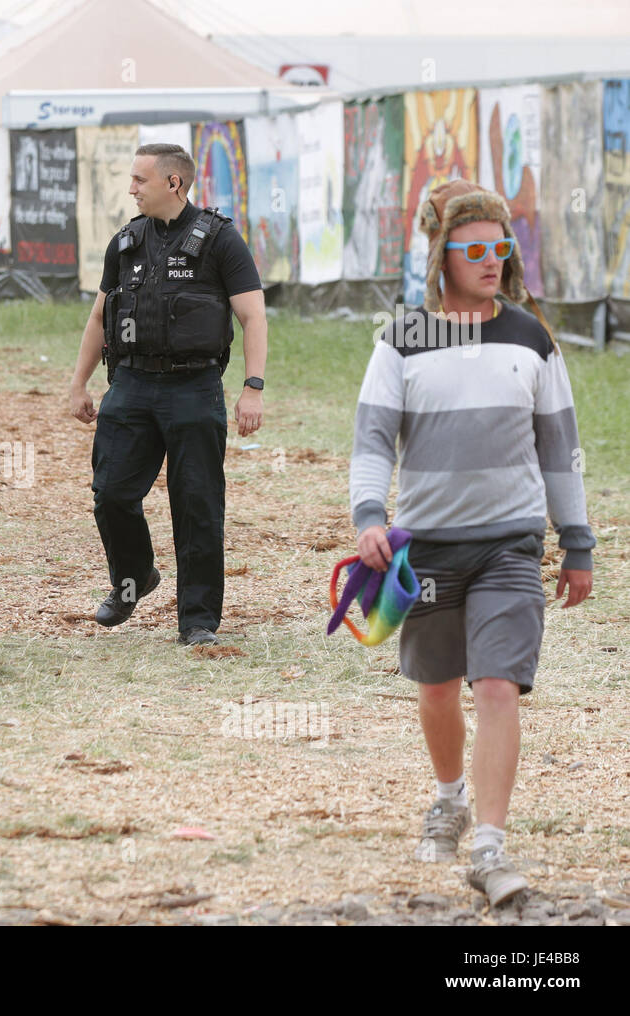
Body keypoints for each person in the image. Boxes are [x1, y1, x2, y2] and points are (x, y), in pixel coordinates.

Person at [350, 180, 595, 907]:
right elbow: (371, 438)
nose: (492, 260)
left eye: (501, 248)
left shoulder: (530, 336)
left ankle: (489, 840)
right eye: (474, 249)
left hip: (510, 547)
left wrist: (575, 542)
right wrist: (368, 515)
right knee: (435, 691)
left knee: (495, 685)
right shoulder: (403, 336)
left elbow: (563, 449)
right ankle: (449, 795)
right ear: (442, 256)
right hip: (423, 549)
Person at [69, 143, 267, 647]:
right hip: (131, 385)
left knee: (197, 504)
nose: (131, 188)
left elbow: (253, 316)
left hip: (193, 387)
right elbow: (99, 317)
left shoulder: (221, 241)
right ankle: (134, 579)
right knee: (111, 493)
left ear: (173, 184)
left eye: (139, 180)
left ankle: (197, 620)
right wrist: (78, 383)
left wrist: (252, 387)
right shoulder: (126, 242)